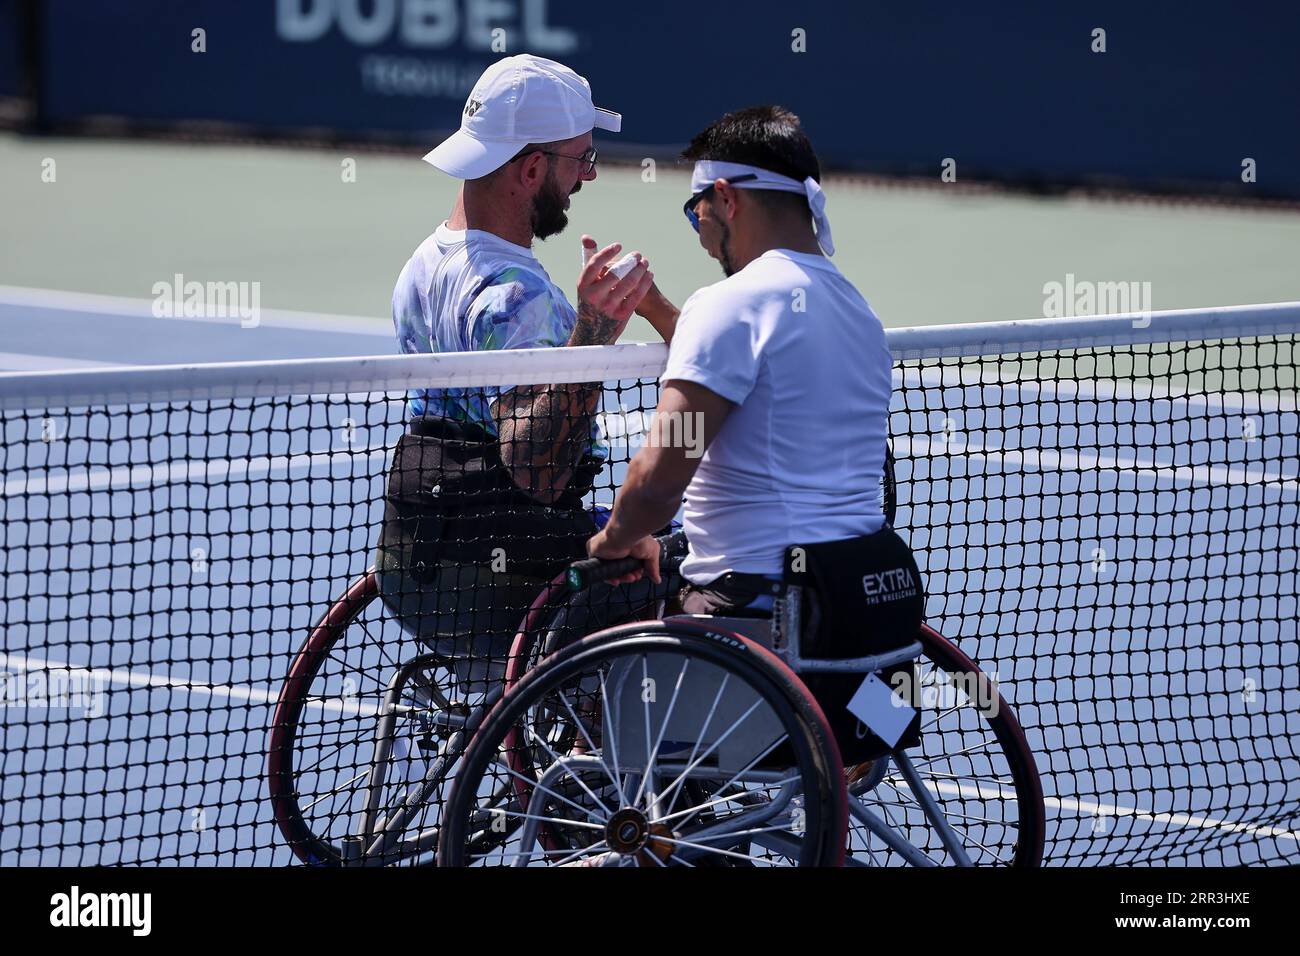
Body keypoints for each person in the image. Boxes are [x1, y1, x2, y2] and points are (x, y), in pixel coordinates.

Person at [374, 54, 677, 687]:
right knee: (699, 558)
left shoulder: (422, 263)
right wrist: (594, 335)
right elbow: (539, 473)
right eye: (581, 161)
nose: (587, 178)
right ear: (533, 168)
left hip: (418, 564)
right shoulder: (519, 295)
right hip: (507, 576)